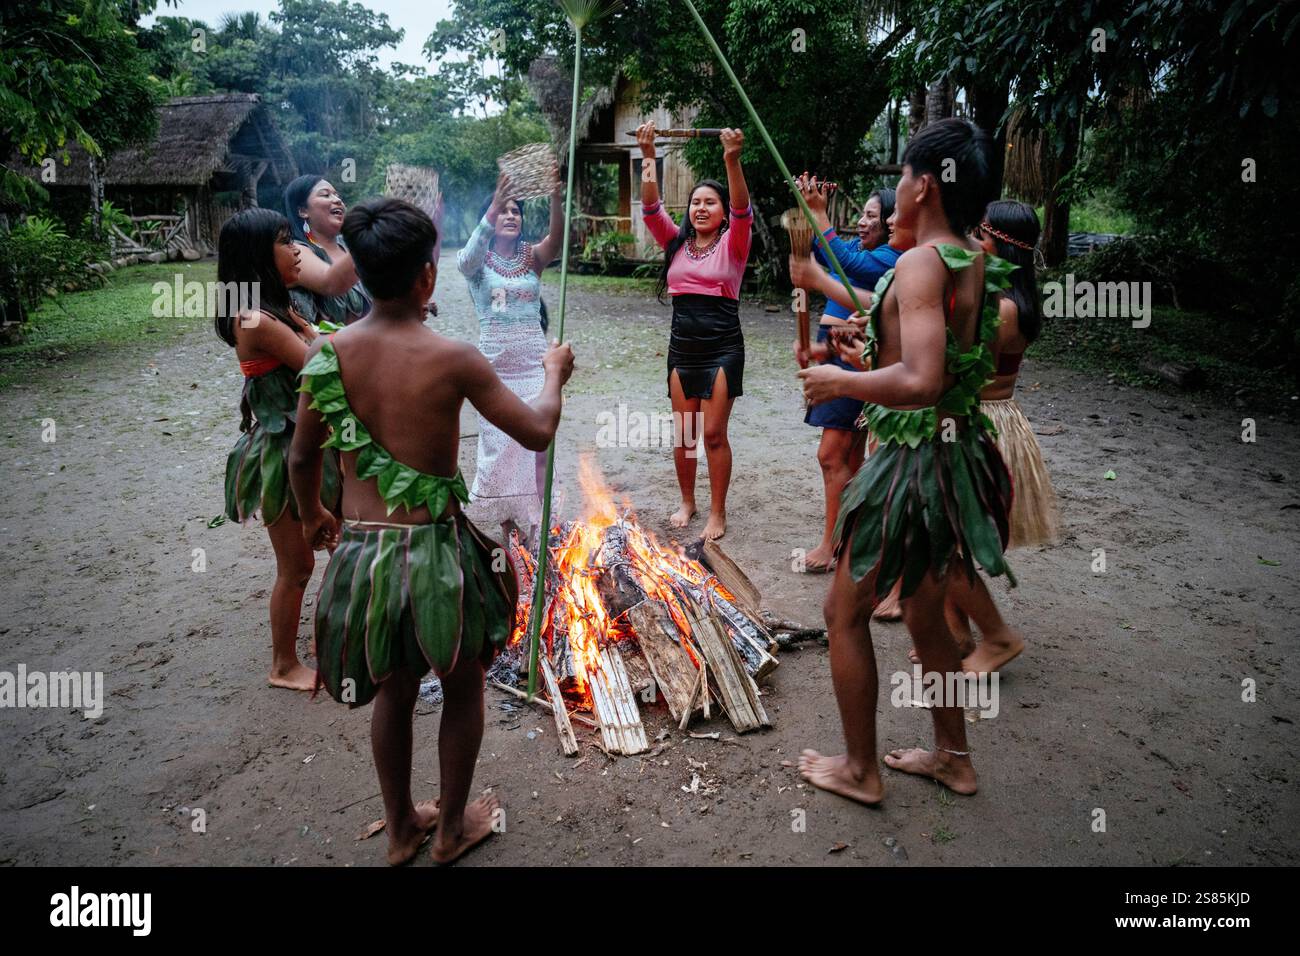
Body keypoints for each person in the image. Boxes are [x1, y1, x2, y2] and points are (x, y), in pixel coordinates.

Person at [288, 197, 575, 865]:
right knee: (463, 681)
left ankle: (399, 829)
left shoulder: (328, 354)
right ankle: (449, 831)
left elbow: (302, 456)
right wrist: (555, 375)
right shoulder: (454, 357)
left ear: (359, 271)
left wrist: (312, 517)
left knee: (393, 686)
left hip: (361, 556)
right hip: (435, 556)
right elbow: (536, 428)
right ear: (426, 277)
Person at [794, 118, 1015, 802]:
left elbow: (919, 379)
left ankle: (861, 770)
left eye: (900, 179)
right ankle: (954, 756)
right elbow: (940, 362)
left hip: (911, 466)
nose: (894, 192)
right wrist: (873, 350)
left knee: (843, 613)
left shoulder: (920, 262)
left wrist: (844, 382)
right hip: (952, 457)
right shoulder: (969, 255)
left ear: (924, 185)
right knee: (923, 614)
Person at [216, 207, 341, 692]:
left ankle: (335, 646)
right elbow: (319, 362)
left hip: (307, 448)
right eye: (285, 242)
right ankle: (283, 666)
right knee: (297, 565)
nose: (297, 251)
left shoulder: (281, 308)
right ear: (255, 258)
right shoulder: (255, 319)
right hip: (281, 456)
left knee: (335, 546)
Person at [943, 200, 1061, 675]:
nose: (974, 243)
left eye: (982, 237)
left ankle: (993, 638)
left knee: (945, 542)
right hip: (998, 417)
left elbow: (964, 368)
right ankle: (956, 637)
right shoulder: (1015, 300)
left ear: (1001, 247)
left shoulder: (1002, 308)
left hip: (982, 422)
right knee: (948, 540)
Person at [636, 121, 752, 540]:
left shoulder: (735, 243)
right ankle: (688, 501)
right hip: (682, 348)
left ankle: (717, 513)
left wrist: (731, 159)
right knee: (685, 436)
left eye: (710, 203)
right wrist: (649, 157)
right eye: (695, 202)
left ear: (723, 213)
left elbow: (743, 208)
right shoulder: (675, 243)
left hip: (723, 346)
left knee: (714, 433)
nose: (701, 208)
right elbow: (650, 209)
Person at [790, 182, 901, 582]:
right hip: (839, 353)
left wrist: (820, 214)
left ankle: (833, 544)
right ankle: (851, 542)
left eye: (874, 216)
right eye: (864, 214)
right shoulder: (865, 254)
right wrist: (808, 211)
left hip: (857, 361)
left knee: (832, 454)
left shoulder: (890, 259)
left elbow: (840, 264)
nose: (864, 221)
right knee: (849, 459)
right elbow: (826, 253)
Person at [457, 171, 566, 542]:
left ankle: (539, 525)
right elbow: (464, 260)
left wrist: (554, 197)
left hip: (534, 365)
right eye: (503, 211)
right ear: (489, 217)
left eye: (516, 211)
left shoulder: (531, 257)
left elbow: (559, 240)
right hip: (496, 371)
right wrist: (493, 205)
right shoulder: (477, 263)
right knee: (501, 449)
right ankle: (510, 532)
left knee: (537, 447)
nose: (510, 216)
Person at [283, 175, 372, 327]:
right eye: (325, 195)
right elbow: (330, 283)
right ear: (303, 211)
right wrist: (370, 234)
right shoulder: (295, 251)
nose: (338, 200)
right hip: (327, 349)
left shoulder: (350, 246)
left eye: (338, 196)